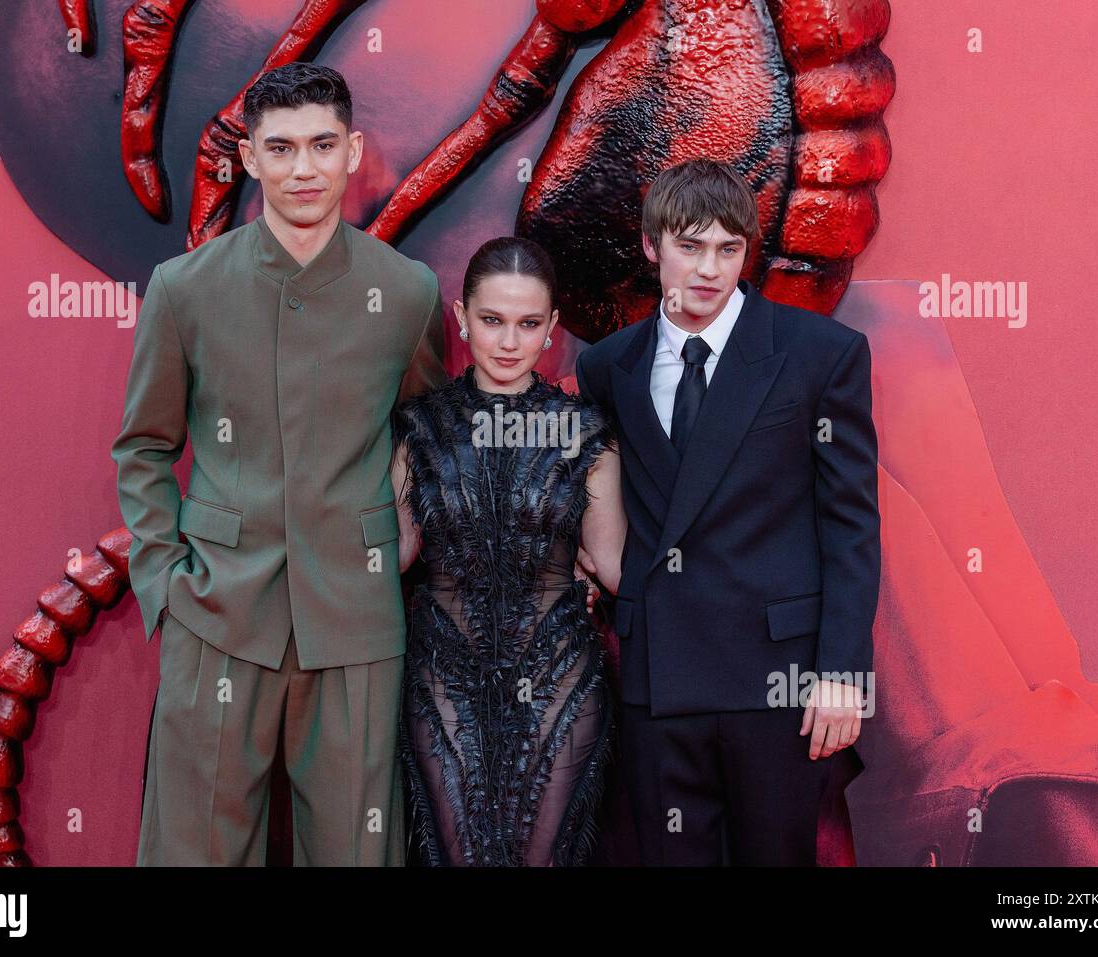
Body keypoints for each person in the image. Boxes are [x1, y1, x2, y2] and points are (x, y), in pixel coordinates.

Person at [111, 63, 446, 865]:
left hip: (357, 621)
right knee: (195, 850)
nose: (304, 168)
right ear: (250, 159)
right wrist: (164, 582)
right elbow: (144, 447)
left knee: (355, 852)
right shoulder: (184, 288)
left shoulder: (406, 292)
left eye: (323, 145)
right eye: (282, 148)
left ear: (353, 151)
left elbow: (428, 434)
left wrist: (394, 538)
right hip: (217, 609)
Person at [574, 159, 880, 865]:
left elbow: (852, 526)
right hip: (660, 674)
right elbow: (599, 502)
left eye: (728, 248)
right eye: (690, 245)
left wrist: (843, 671)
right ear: (653, 246)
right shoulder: (607, 367)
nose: (709, 268)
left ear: (747, 251)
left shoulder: (820, 355)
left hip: (780, 678)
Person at [390, 237, 626, 866]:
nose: (508, 342)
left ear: (552, 329)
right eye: (492, 320)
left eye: (528, 324)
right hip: (443, 677)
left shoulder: (585, 431)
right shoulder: (420, 426)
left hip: (558, 681)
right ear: (461, 317)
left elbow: (616, 567)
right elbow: (397, 553)